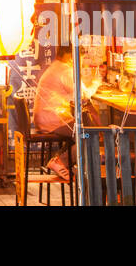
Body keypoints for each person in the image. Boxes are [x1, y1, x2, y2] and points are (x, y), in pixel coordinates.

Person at [32, 47, 97, 179]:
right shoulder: (65, 71)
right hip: (54, 120)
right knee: (88, 135)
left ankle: (60, 160)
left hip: (47, 119)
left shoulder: (55, 67)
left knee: (84, 132)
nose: (79, 61)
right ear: (71, 56)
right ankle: (61, 161)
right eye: (79, 58)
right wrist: (96, 83)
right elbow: (83, 95)